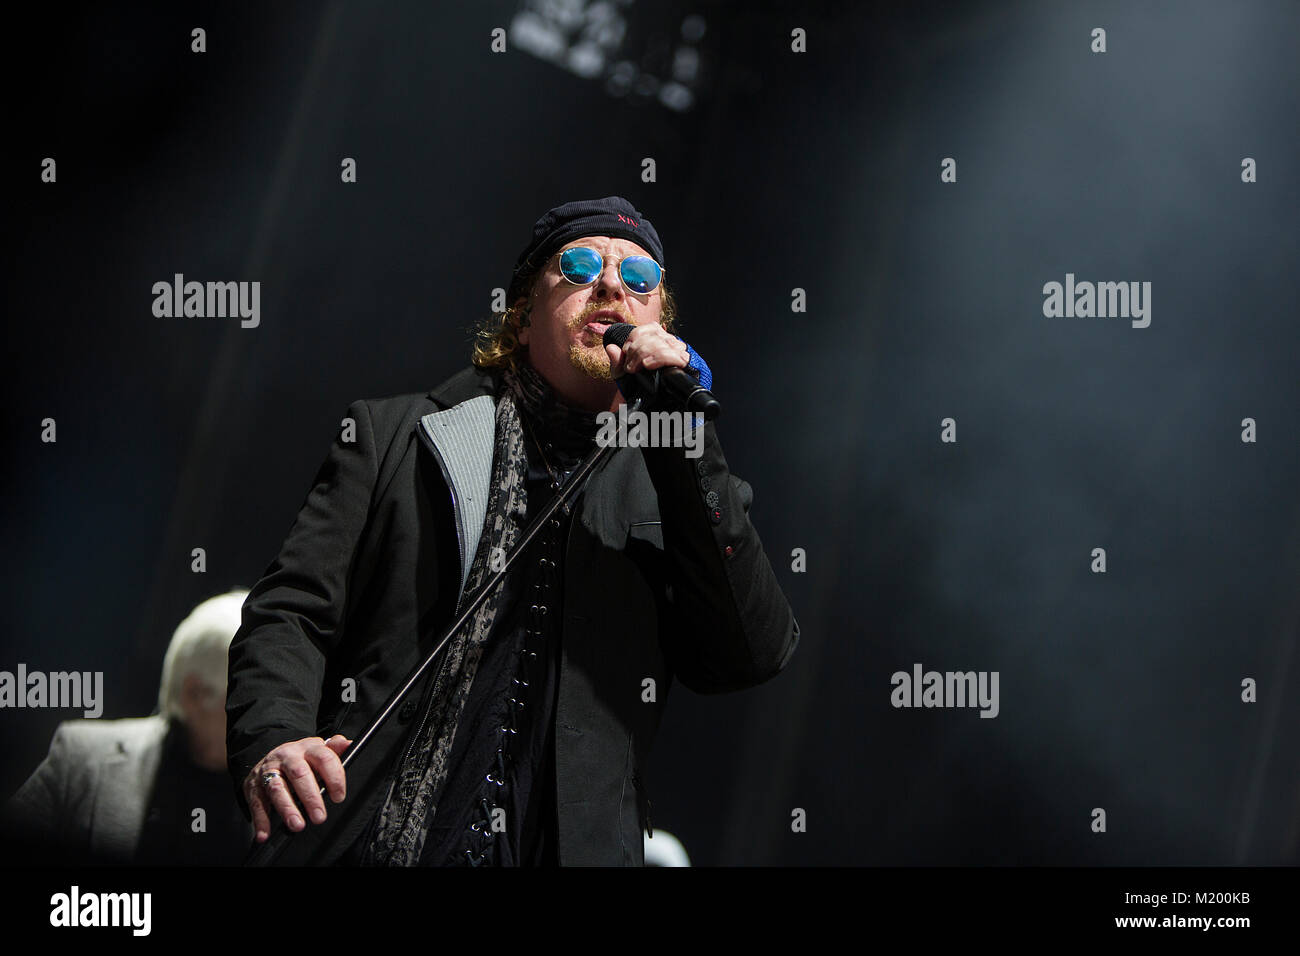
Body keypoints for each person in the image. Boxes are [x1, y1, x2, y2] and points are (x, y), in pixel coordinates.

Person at [225, 196, 798, 866]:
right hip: (363, 837)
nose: (612, 286)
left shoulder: (676, 488)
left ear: (659, 325)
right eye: (580, 268)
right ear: (524, 320)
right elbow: (290, 612)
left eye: (640, 282)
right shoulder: (393, 438)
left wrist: (687, 442)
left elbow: (750, 654)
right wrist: (274, 736)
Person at [6, 589, 253, 864]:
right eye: (252, 697)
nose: (273, 713)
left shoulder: (285, 790)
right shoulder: (82, 758)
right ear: (194, 694)